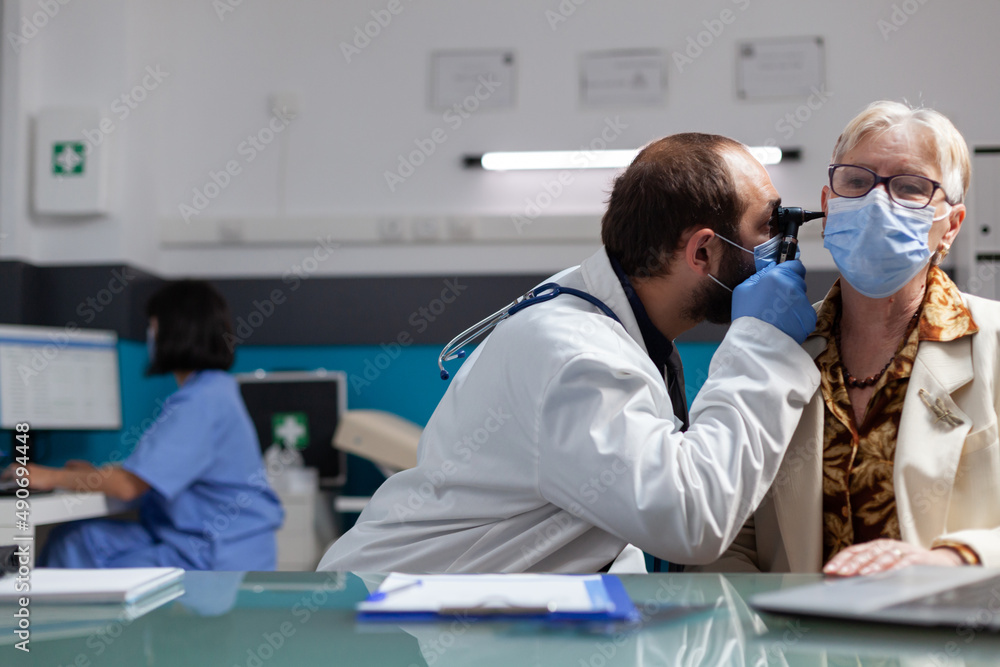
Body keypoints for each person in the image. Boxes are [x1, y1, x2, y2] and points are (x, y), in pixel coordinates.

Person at [318, 133, 820, 574]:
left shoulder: (605, 315)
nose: (783, 243)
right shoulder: (575, 355)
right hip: (390, 619)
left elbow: (601, 522)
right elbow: (690, 517)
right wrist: (760, 346)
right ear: (702, 252)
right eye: (769, 225)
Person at [702, 101, 1000, 576]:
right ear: (828, 206)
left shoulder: (992, 343)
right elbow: (723, 531)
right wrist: (767, 617)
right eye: (857, 181)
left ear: (952, 226)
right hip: (791, 624)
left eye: (910, 187)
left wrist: (952, 560)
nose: (877, 203)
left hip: (951, 621)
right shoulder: (777, 345)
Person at [12, 280, 284, 569]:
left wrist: (49, 477)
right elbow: (149, 475)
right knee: (77, 540)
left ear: (176, 330)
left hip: (214, 556)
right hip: (215, 542)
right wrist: (93, 476)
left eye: (153, 325)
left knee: (73, 545)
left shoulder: (201, 402)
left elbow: (129, 486)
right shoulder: (215, 390)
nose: (151, 336)